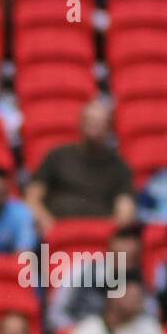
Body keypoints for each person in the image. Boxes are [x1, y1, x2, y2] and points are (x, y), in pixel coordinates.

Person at [25, 99, 136, 235]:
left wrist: (113, 230)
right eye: (90, 121)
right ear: (80, 124)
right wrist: (45, 222)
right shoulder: (58, 156)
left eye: (100, 122)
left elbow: (125, 211)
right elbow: (32, 197)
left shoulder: (119, 167)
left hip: (100, 238)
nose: (94, 126)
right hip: (57, 232)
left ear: (109, 128)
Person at [47, 224, 142, 333]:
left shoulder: (138, 282)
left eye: (132, 258)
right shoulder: (82, 271)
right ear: (110, 250)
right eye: (120, 256)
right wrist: (80, 333)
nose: (126, 263)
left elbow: (150, 317)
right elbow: (55, 313)